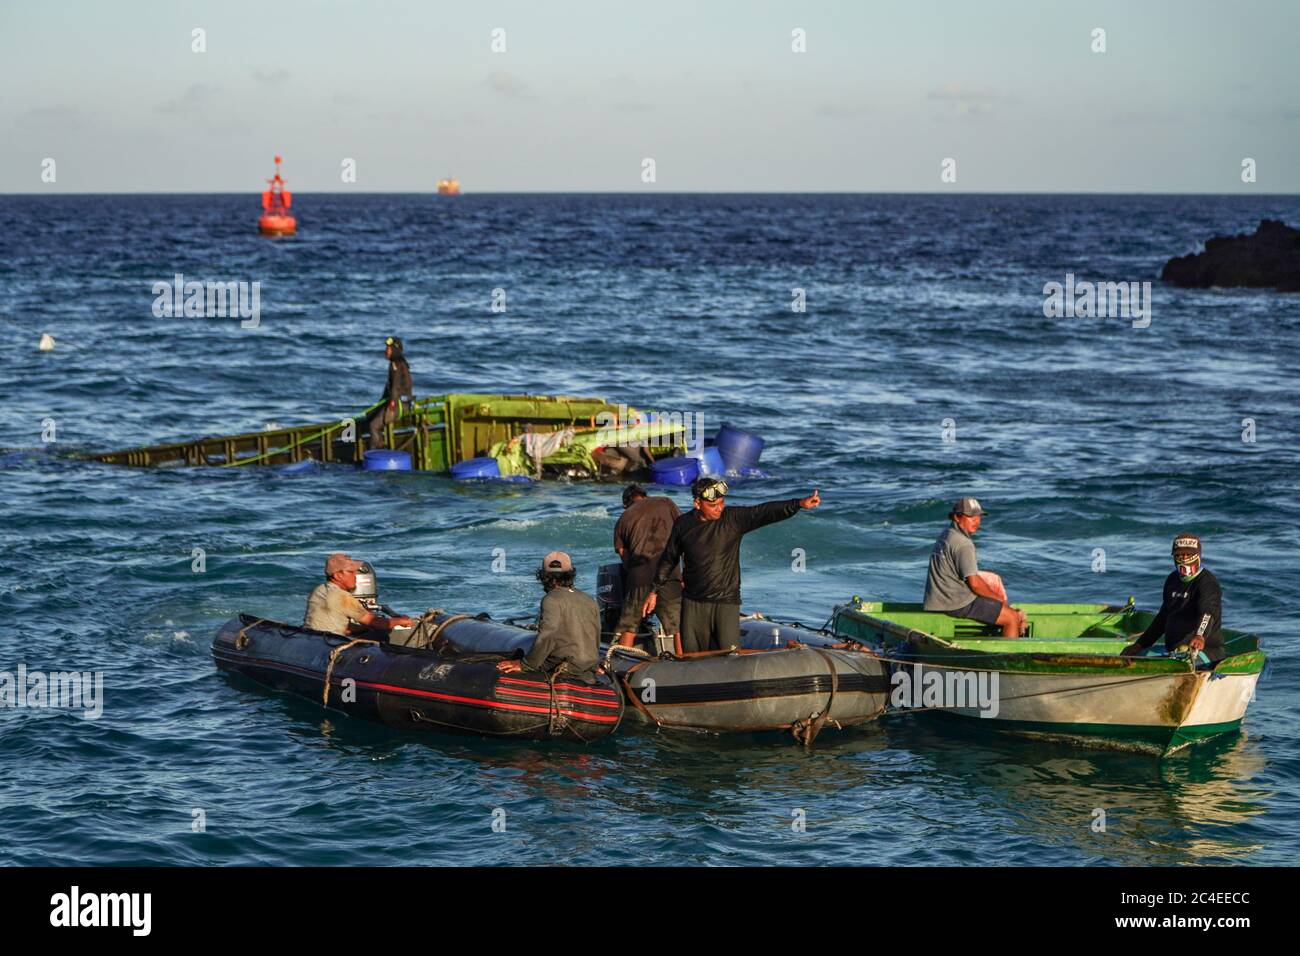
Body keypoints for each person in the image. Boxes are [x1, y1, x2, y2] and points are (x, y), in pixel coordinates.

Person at [642, 477, 820, 653]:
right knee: (693, 657)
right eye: (713, 505)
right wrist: (654, 591)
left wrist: (798, 504)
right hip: (693, 603)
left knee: (730, 655)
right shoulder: (683, 524)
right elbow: (669, 558)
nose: (720, 508)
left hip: (726, 601)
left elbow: (764, 512)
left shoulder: (732, 519)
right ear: (698, 504)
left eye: (722, 502)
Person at [922, 497, 1026, 638]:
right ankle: (1009, 658)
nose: (977, 521)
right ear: (957, 517)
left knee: (994, 598)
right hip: (955, 602)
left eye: (979, 516)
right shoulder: (964, 543)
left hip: (936, 600)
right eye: (971, 517)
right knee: (1012, 618)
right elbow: (975, 585)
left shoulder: (946, 535)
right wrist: (1000, 601)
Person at [1121, 533, 1225, 662]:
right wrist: (1139, 645)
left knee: (1185, 662)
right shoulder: (1172, 580)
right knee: (1129, 657)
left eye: (1188, 555)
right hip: (1173, 651)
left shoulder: (1207, 583)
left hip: (1204, 651)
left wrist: (1199, 636)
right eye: (1179, 555)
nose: (1184, 558)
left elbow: (1207, 613)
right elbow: (1162, 618)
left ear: (1198, 555)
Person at [497, 552, 601, 679]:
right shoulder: (590, 600)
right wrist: (594, 666)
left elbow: (547, 636)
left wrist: (525, 665)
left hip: (565, 667)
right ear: (570, 574)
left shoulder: (550, 600)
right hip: (588, 666)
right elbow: (595, 636)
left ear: (544, 577)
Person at [613, 483, 683, 650]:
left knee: (629, 626)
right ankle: (683, 661)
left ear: (625, 504)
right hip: (669, 573)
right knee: (676, 627)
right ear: (644, 496)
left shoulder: (623, 518)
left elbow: (624, 554)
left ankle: (621, 663)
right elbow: (685, 531)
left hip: (640, 576)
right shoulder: (666, 502)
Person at [304, 552, 413, 637]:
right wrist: (402, 621)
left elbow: (338, 624)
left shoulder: (318, 590)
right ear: (337, 576)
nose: (355, 575)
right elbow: (376, 623)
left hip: (312, 639)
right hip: (330, 643)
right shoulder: (342, 596)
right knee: (382, 635)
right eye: (351, 572)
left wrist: (363, 628)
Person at [366, 336, 414, 450]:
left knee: (373, 425)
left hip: (399, 404)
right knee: (369, 416)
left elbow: (396, 387)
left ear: (395, 350)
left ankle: (379, 450)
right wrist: (379, 406)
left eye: (388, 348)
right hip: (399, 402)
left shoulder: (397, 365)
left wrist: (392, 404)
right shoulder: (398, 363)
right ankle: (379, 443)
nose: (385, 351)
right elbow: (389, 388)